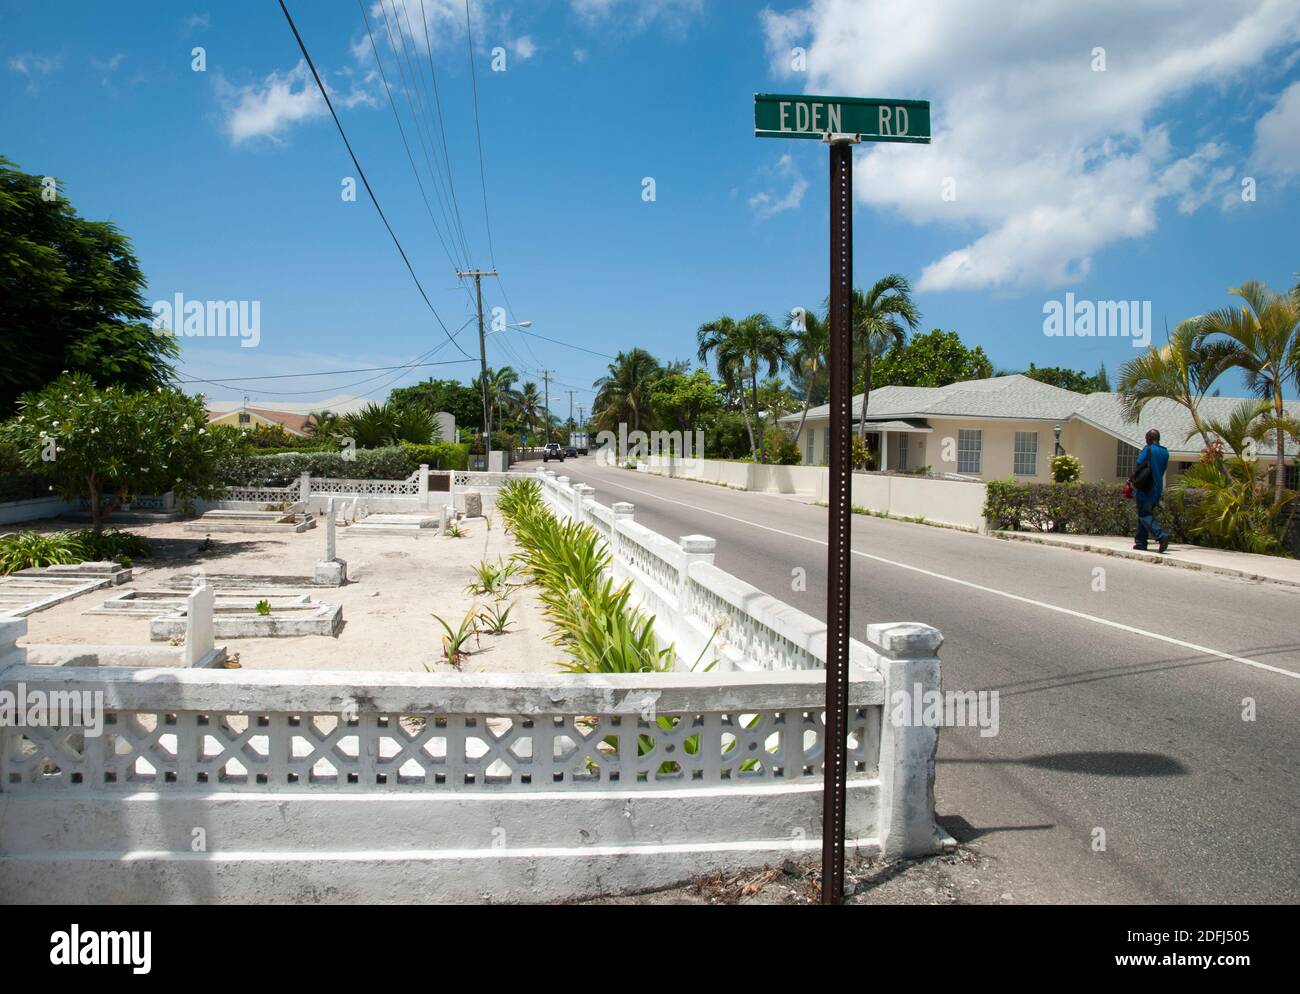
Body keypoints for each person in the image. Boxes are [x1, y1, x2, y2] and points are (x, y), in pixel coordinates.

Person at [1132, 428, 1170, 553]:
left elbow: (1139, 466)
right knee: (1144, 513)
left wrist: (1132, 480)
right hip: (1157, 488)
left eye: (1146, 437)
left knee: (1144, 515)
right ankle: (1141, 542)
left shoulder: (1147, 449)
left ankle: (1161, 535)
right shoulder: (1165, 452)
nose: (1145, 440)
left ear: (1149, 438)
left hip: (1146, 488)